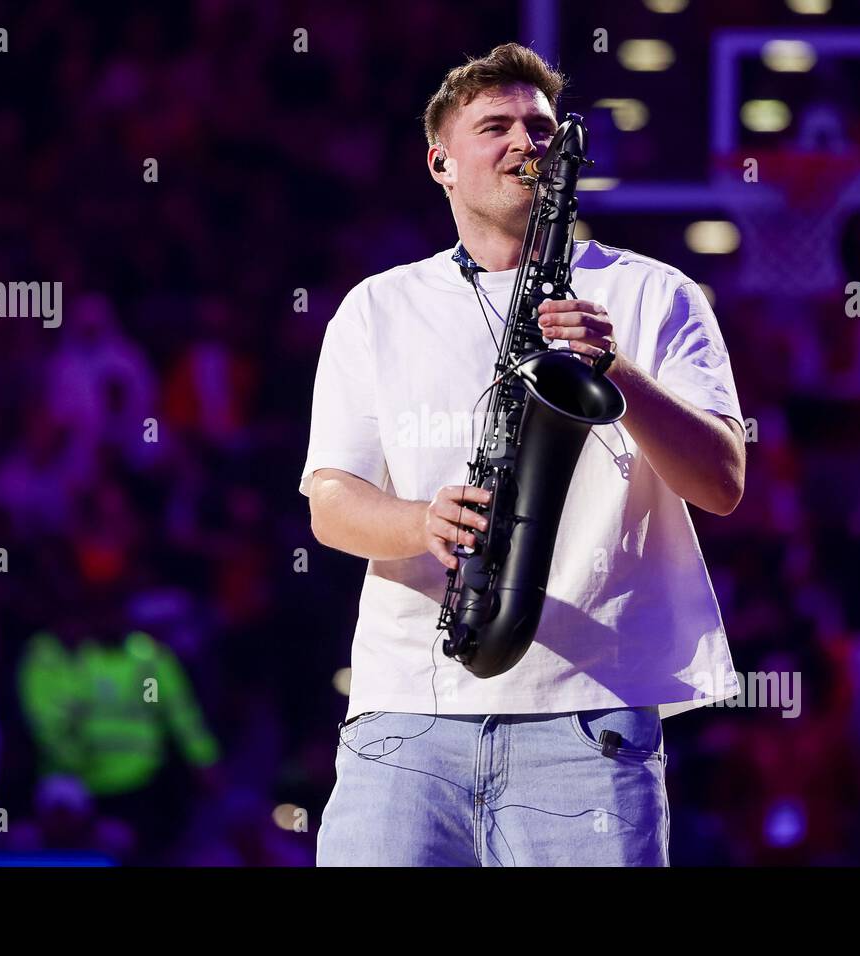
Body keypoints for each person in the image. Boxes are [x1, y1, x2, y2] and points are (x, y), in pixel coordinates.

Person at [302, 43, 746, 866]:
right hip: (407, 718)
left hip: (591, 716)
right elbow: (331, 503)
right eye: (495, 125)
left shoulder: (658, 295)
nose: (524, 142)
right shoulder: (378, 307)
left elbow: (721, 482)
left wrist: (617, 371)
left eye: (540, 127)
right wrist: (420, 522)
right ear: (440, 162)